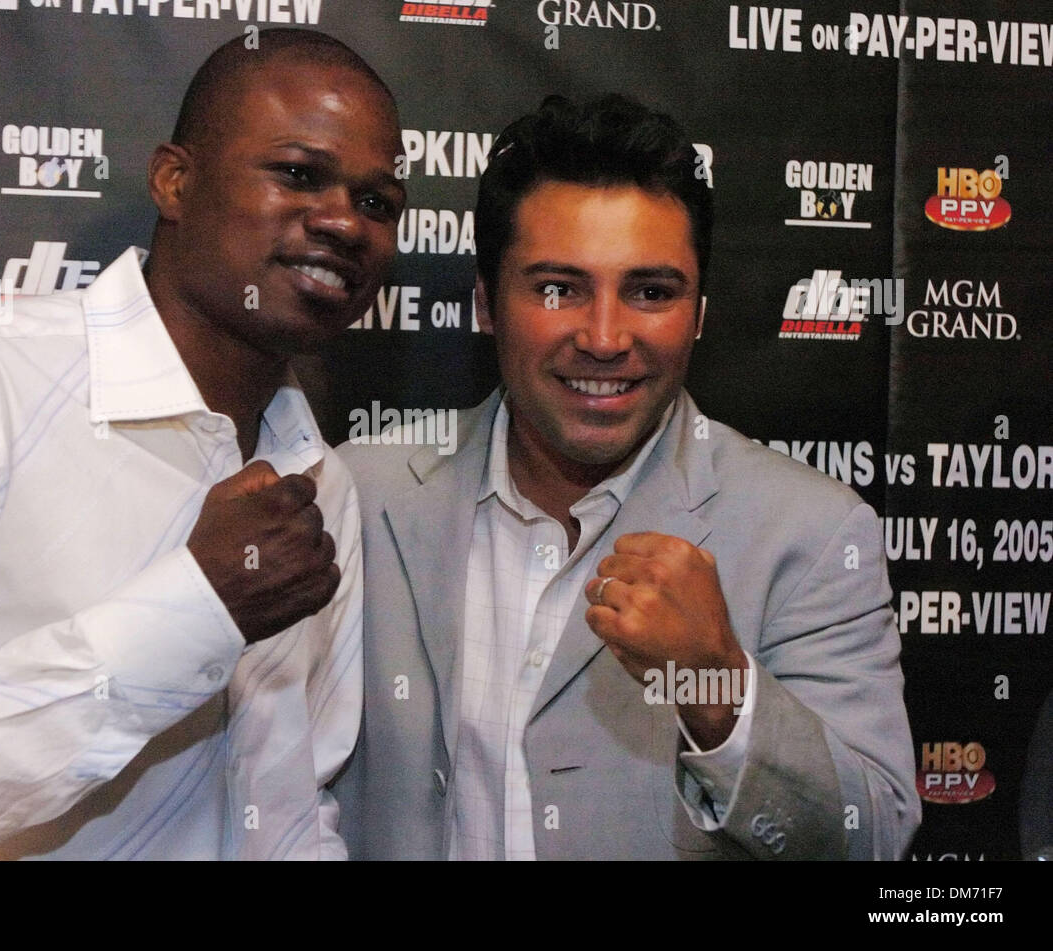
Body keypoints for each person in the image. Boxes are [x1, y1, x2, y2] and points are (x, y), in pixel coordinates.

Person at [0, 28, 405, 860]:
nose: (343, 223)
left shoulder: (321, 484)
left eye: (377, 202)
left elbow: (291, 797)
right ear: (174, 180)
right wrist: (193, 612)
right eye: (297, 174)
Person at [332, 94, 919, 860]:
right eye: (557, 287)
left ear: (699, 313)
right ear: (485, 303)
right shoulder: (360, 493)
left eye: (650, 292)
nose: (605, 338)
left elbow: (872, 835)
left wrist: (718, 688)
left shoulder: (811, 532)